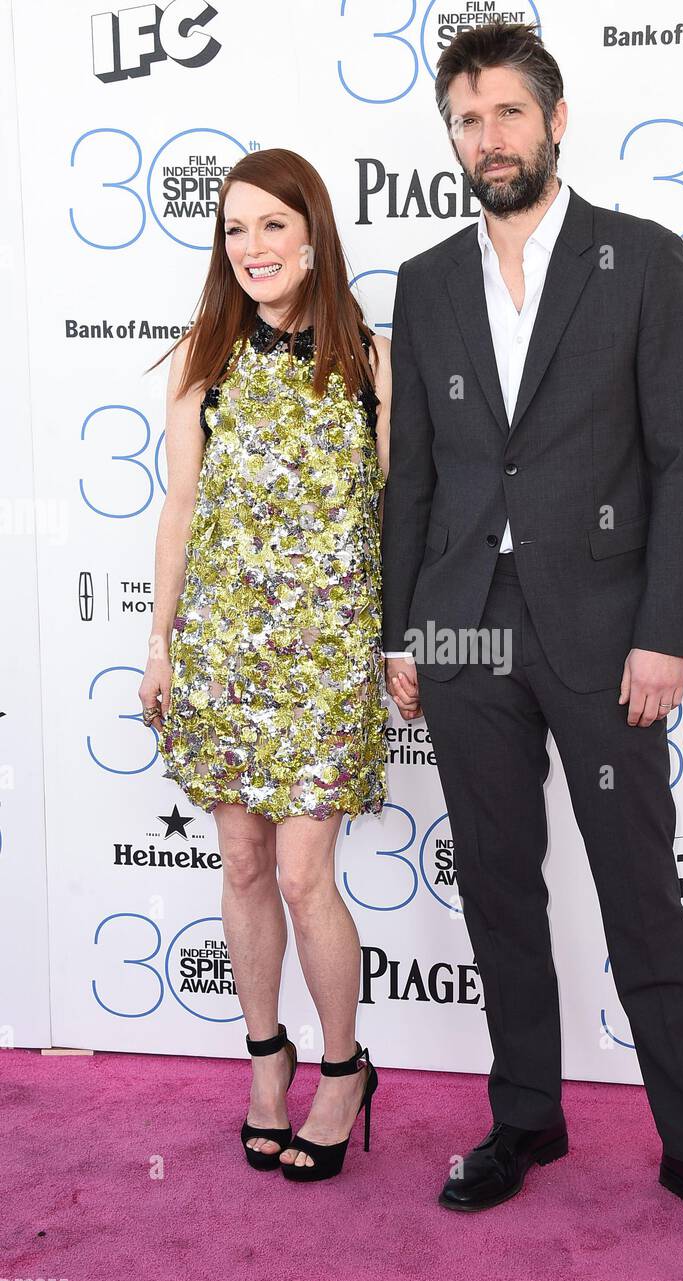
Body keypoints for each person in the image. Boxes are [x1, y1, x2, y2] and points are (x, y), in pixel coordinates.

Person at [381, 22, 683, 1258]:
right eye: (466, 118)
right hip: (461, 632)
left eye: (507, 113)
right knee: (498, 887)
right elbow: (415, 481)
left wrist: (666, 632)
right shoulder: (429, 280)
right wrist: (404, 629)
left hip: (607, 632)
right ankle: (525, 1120)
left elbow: (681, 455)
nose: (487, 138)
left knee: (636, 890)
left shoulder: (641, 258)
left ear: (554, 122)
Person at [140, 149, 388, 1182]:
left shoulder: (368, 357)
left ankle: (343, 1069)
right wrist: (158, 641)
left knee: (302, 873)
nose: (251, 248)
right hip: (222, 652)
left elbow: (398, 510)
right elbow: (183, 508)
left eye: (271, 226)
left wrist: (400, 639)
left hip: (327, 656)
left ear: (314, 234)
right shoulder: (202, 357)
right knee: (242, 864)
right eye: (234, 230)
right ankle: (263, 1056)